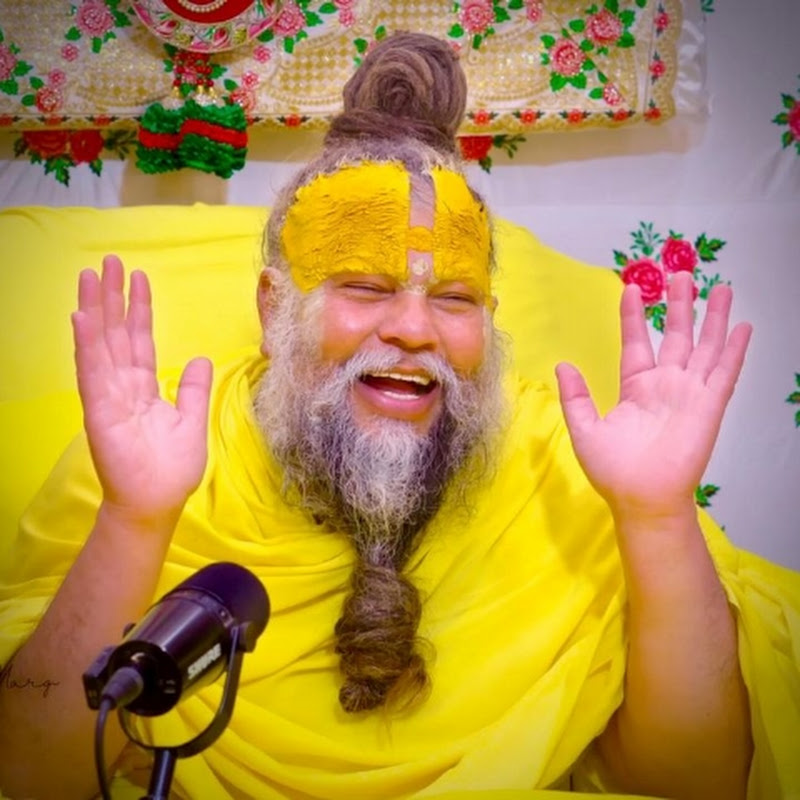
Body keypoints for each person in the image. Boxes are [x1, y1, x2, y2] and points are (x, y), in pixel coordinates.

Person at [0, 31, 798, 800]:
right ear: (274, 309)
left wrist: (657, 519)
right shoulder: (157, 449)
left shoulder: (566, 467)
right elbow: (34, 779)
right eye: (366, 287)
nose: (415, 328)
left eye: (453, 298)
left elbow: (696, 785)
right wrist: (136, 521)